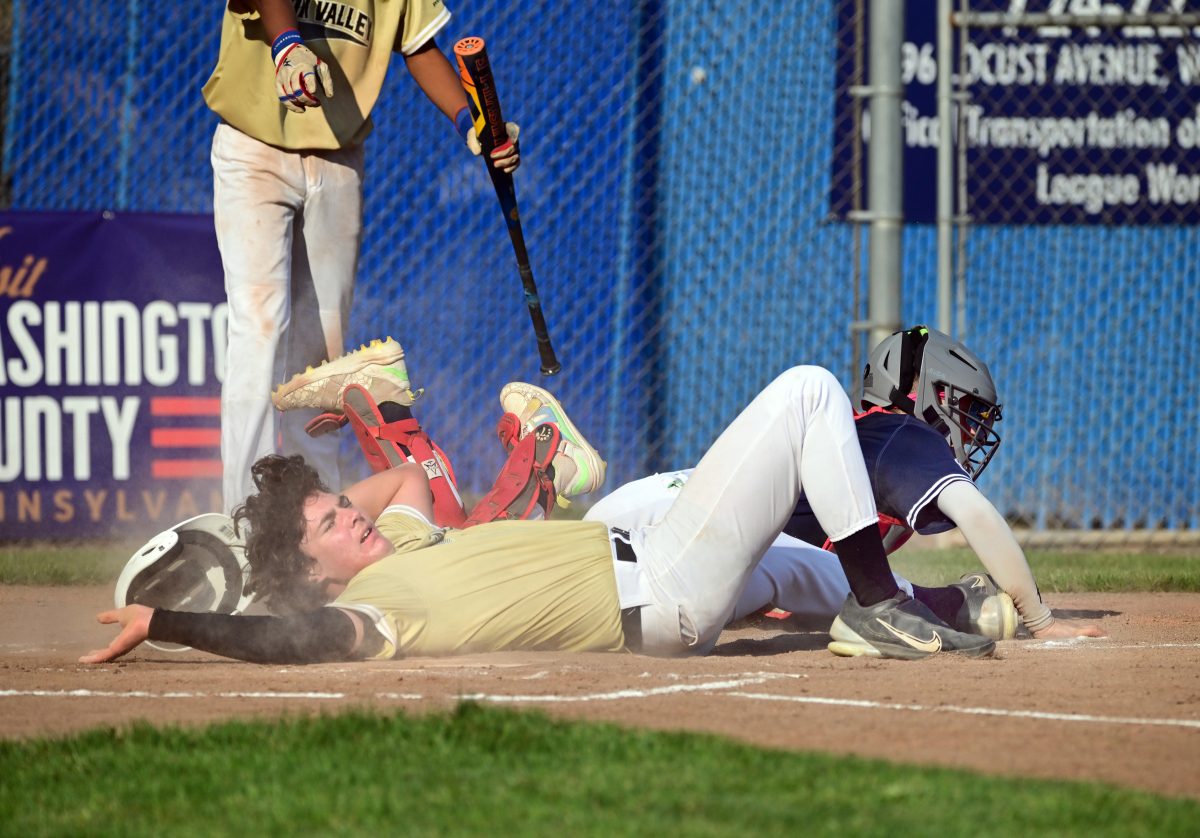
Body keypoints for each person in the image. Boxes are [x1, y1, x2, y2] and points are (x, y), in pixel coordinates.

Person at [83, 357, 1000, 665]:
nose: (348, 517)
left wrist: (301, 508)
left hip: (651, 551)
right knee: (807, 393)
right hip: (659, 588)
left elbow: (398, 487)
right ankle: (880, 608)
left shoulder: (400, 539)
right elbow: (288, 644)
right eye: (329, 526)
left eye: (336, 507)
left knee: (788, 560)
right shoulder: (366, 611)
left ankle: (934, 604)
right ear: (310, 575)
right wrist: (172, 618)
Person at [586, 326, 1104, 643]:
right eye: (965, 411)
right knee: (865, 591)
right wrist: (1040, 618)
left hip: (658, 529)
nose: (970, 431)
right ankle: (553, 471)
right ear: (923, 396)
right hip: (658, 530)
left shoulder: (869, 442)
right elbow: (976, 514)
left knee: (787, 581)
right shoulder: (901, 431)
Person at [204, 0, 520, 513]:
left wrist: (470, 119)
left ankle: (317, 509)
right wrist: (286, 44)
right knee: (259, 326)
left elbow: (419, 47)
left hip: (338, 160)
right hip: (252, 149)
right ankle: (249, 515)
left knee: (324, 350)